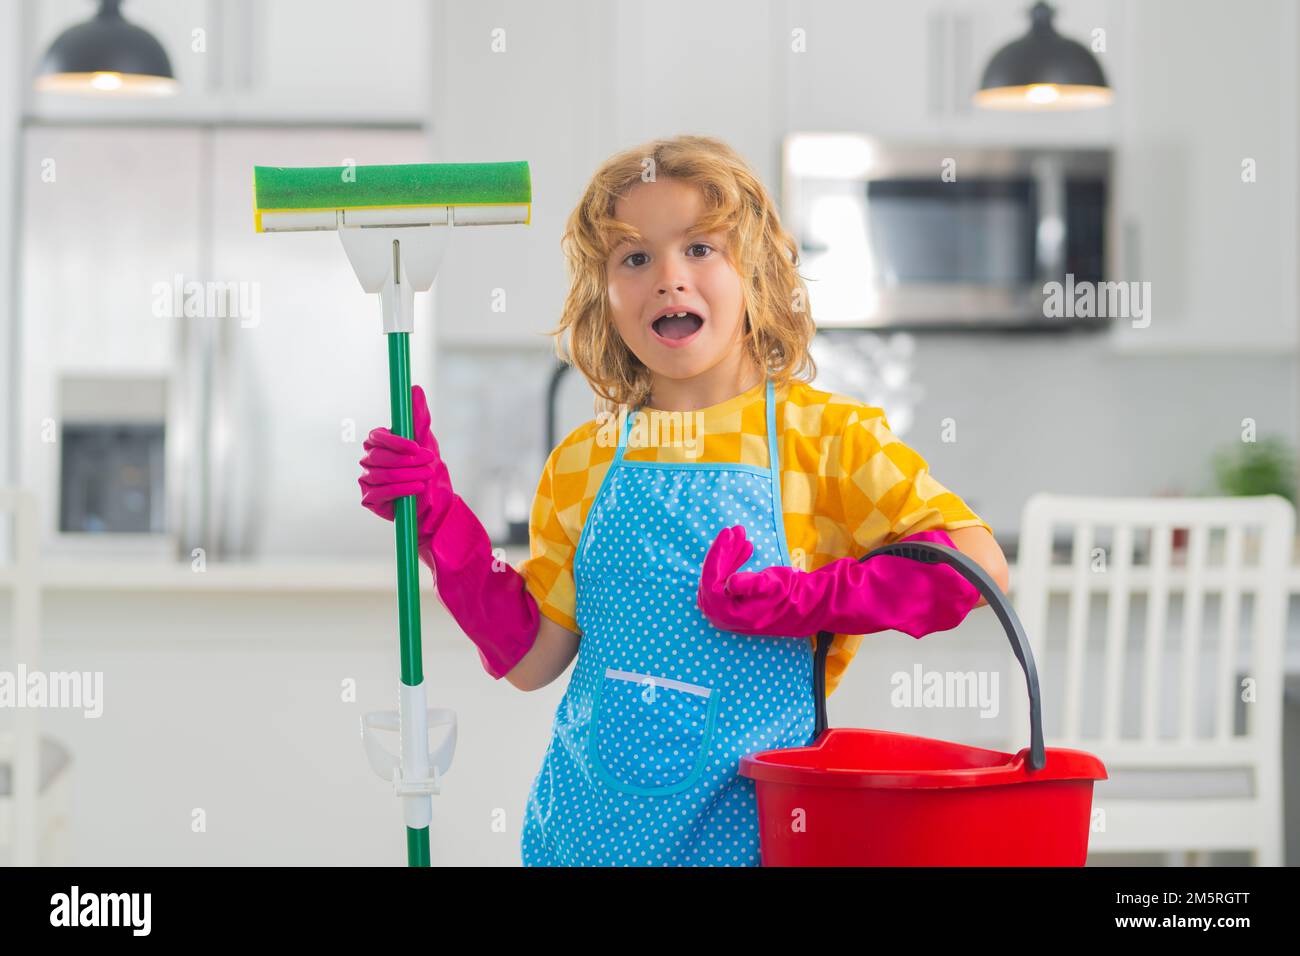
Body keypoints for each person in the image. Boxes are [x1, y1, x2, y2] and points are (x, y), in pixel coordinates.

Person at [358, 134, 1010, 866]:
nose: (669, 277)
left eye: (701, 248)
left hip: (756, 833)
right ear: (604, 296)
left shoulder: (823, 439)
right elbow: (533, 658)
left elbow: (977, 564)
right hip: (587, 834)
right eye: (635, 258)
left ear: (756, 273)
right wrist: (441, 523)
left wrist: (811, 597)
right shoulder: (586, 457)